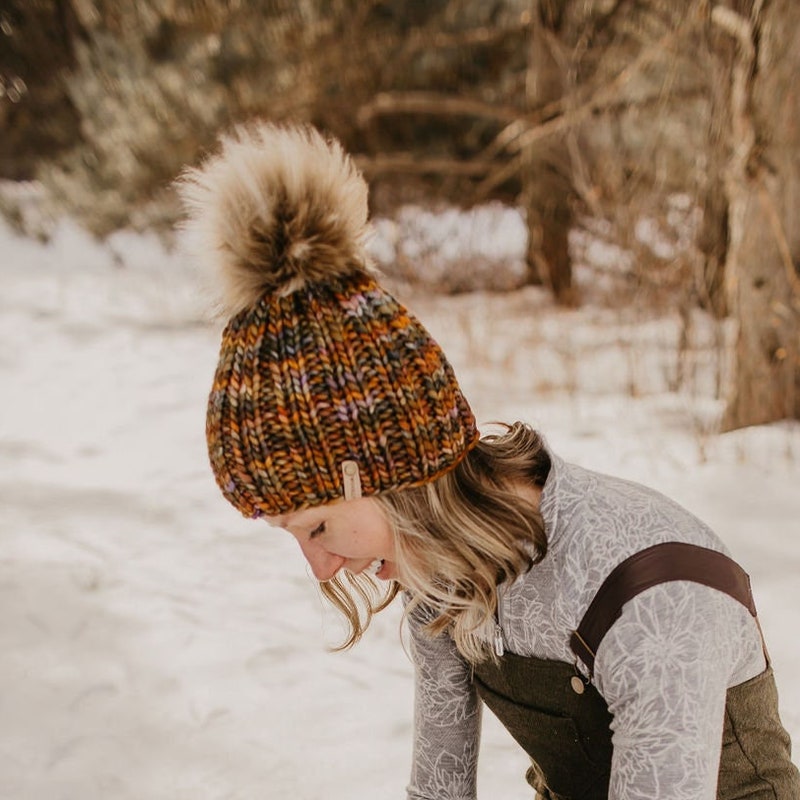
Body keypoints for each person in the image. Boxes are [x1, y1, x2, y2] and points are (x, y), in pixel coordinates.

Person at [179, 121, 800, 800]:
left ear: (391, 478)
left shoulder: (654, 594)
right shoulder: (442, 579)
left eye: (318, 526)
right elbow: (439, 790)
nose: (320, 567)